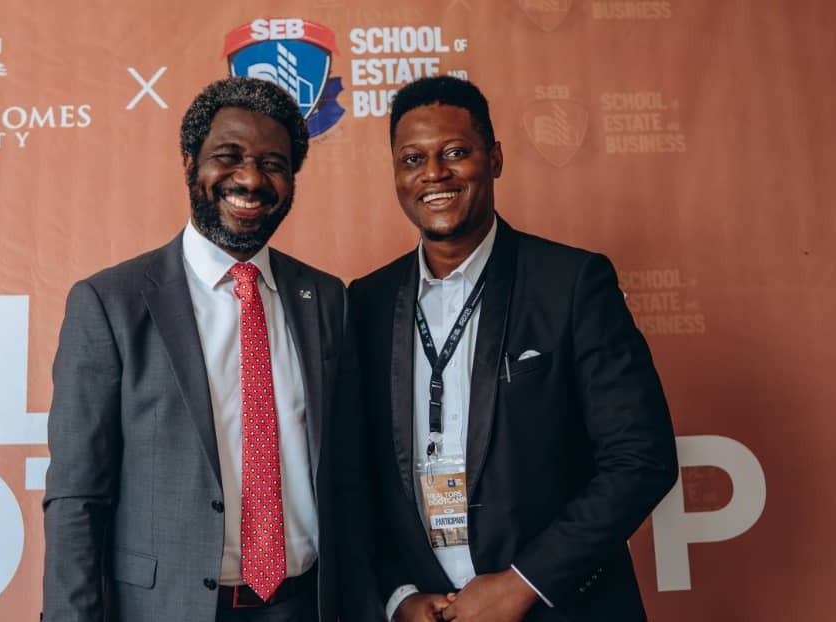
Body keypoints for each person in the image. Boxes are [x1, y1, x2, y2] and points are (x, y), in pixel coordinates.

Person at [347, 76, 679, 622]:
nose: (434, 173)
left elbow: (641, 458)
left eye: (456, 152)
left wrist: (526, 583)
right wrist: (397, 594)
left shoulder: (571, 283)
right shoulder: (366, 303)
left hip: (560, 608)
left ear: (495, 159)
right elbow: (357, 478)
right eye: (412, 159)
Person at [43, 77, 356, 622]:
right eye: (228, 157)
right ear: (190, 163)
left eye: (273, 164)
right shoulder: (111, 302)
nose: (250, 179)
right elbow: (76, 496)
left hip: (307, 604)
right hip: (170, 608)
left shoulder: (327, 297)